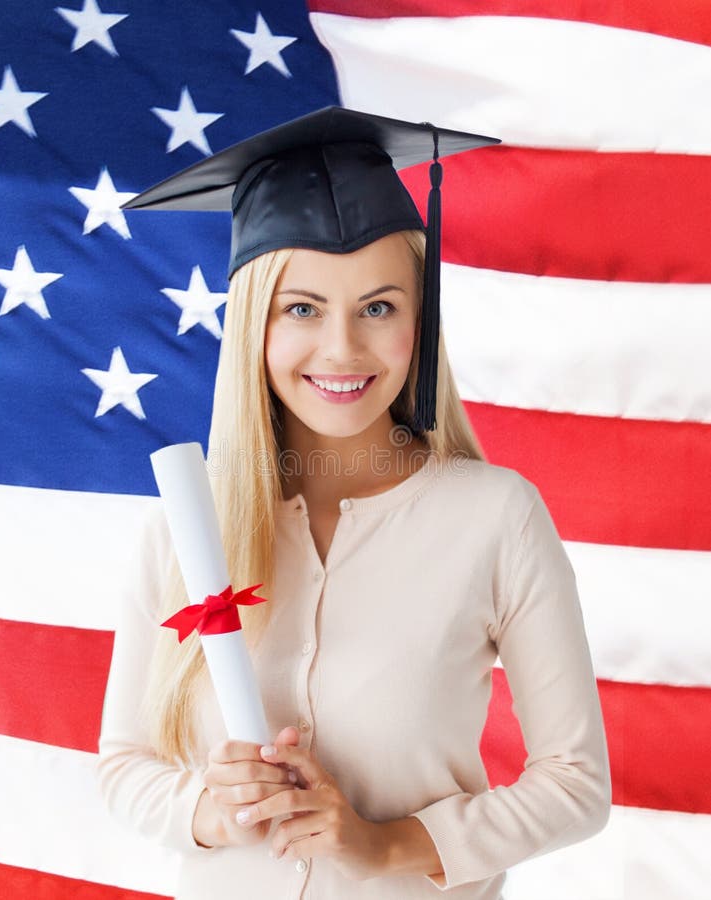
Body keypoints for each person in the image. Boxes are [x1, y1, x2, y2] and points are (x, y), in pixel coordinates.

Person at [97, 107, 612, 900]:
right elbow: (125, 766)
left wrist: (387, 844)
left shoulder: (493, 518)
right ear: (255, 325)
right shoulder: (183, 527)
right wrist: (212, 809)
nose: (342, 349)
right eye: (301, 308)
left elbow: (574, 785)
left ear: (419, 320)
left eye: (378, 307)